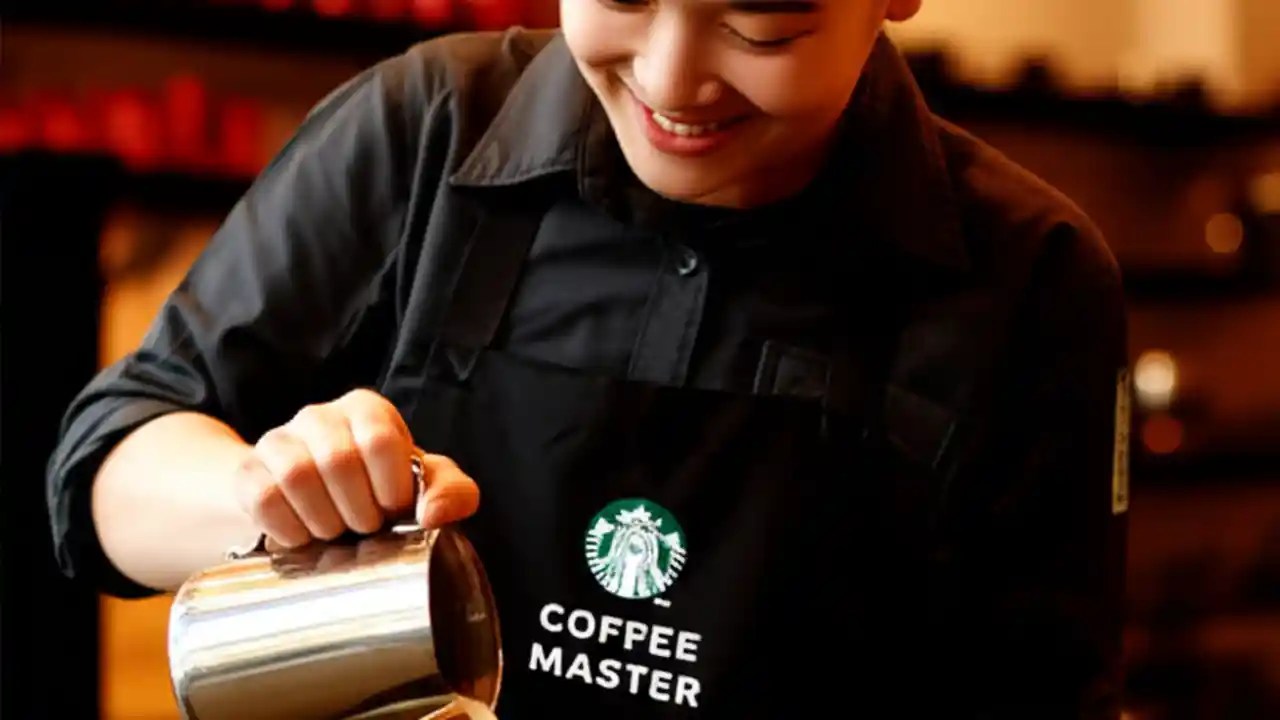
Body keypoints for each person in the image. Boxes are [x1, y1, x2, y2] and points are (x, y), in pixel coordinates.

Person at [46, 0, 1131, 717]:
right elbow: (104, 470)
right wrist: (267, 492)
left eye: (760, 26)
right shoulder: (420, 134)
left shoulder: (1031, 281)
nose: (671, 79)